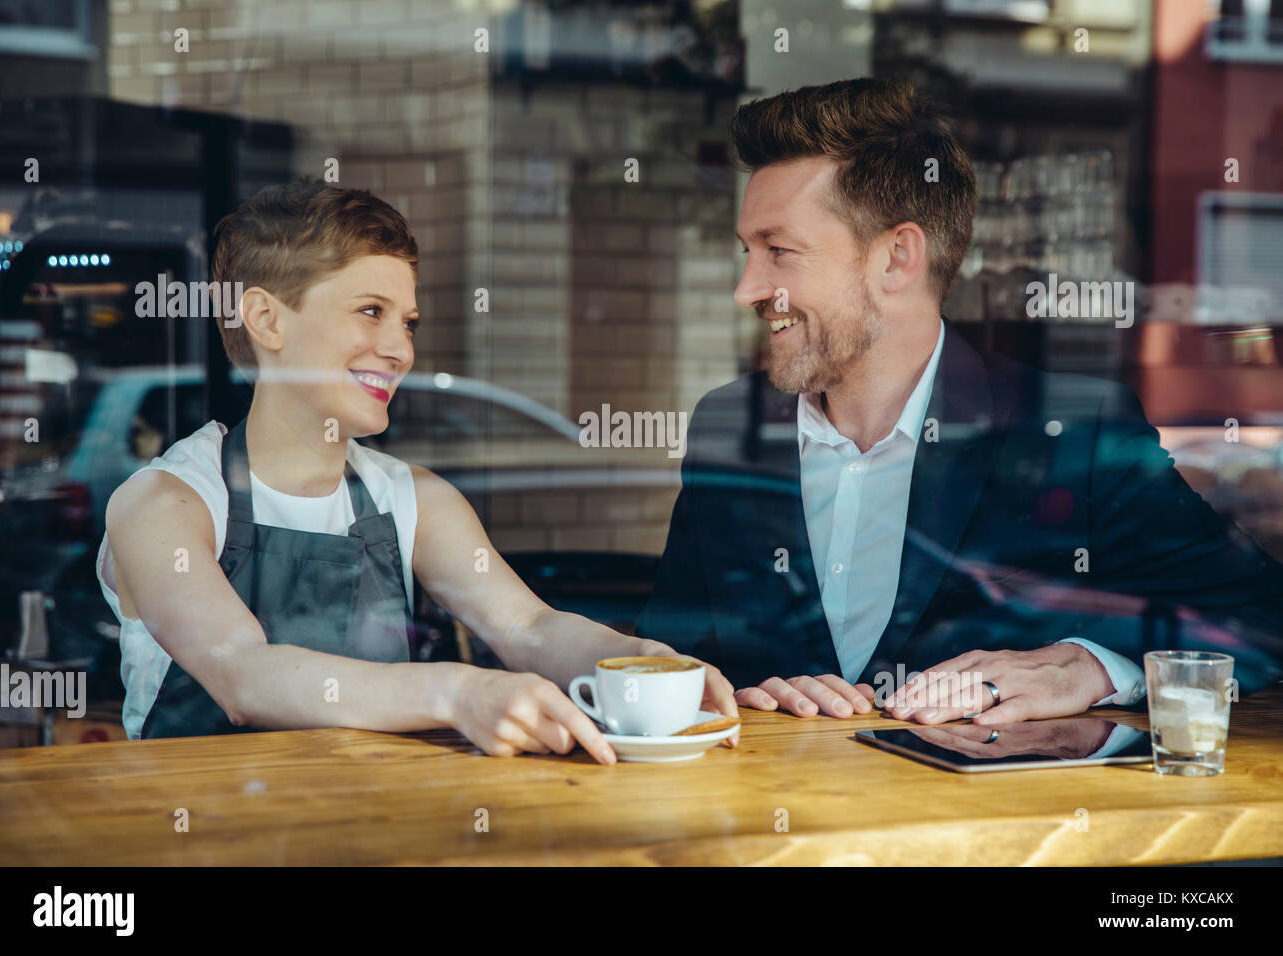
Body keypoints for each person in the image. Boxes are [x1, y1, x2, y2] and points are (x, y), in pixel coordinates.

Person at [636, 79, 1283, 734]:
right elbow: (663, 658)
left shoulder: (1073, 438)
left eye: (779, 251)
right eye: (748, 252)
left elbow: (1262, 617)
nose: (748, 287)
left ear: (897, 257)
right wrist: (733, 690)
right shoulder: (727, 425)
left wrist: (1084, 668)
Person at [97, 179, 736, 763]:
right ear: (266, 319)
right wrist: (458, 692)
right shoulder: (163, 504)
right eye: (370, 311)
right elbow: (243, 674)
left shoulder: (413, 499)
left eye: (408, 322)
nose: (401, 349)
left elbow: (528, 626)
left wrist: (643, 661)